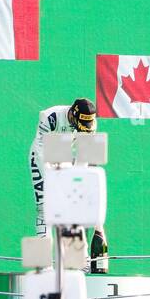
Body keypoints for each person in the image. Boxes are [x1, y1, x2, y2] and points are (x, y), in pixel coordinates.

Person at [29, 97, 98, 238]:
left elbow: (84, 156)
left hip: (63, 155)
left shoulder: (90, 124)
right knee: (44, 208)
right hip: (42, 157)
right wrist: (52, 180)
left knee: (71, 208)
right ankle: (43, 255)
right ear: (73, 114)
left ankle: (74, 254)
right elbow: (40, 152)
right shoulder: (50, 117)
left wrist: (77, 178)